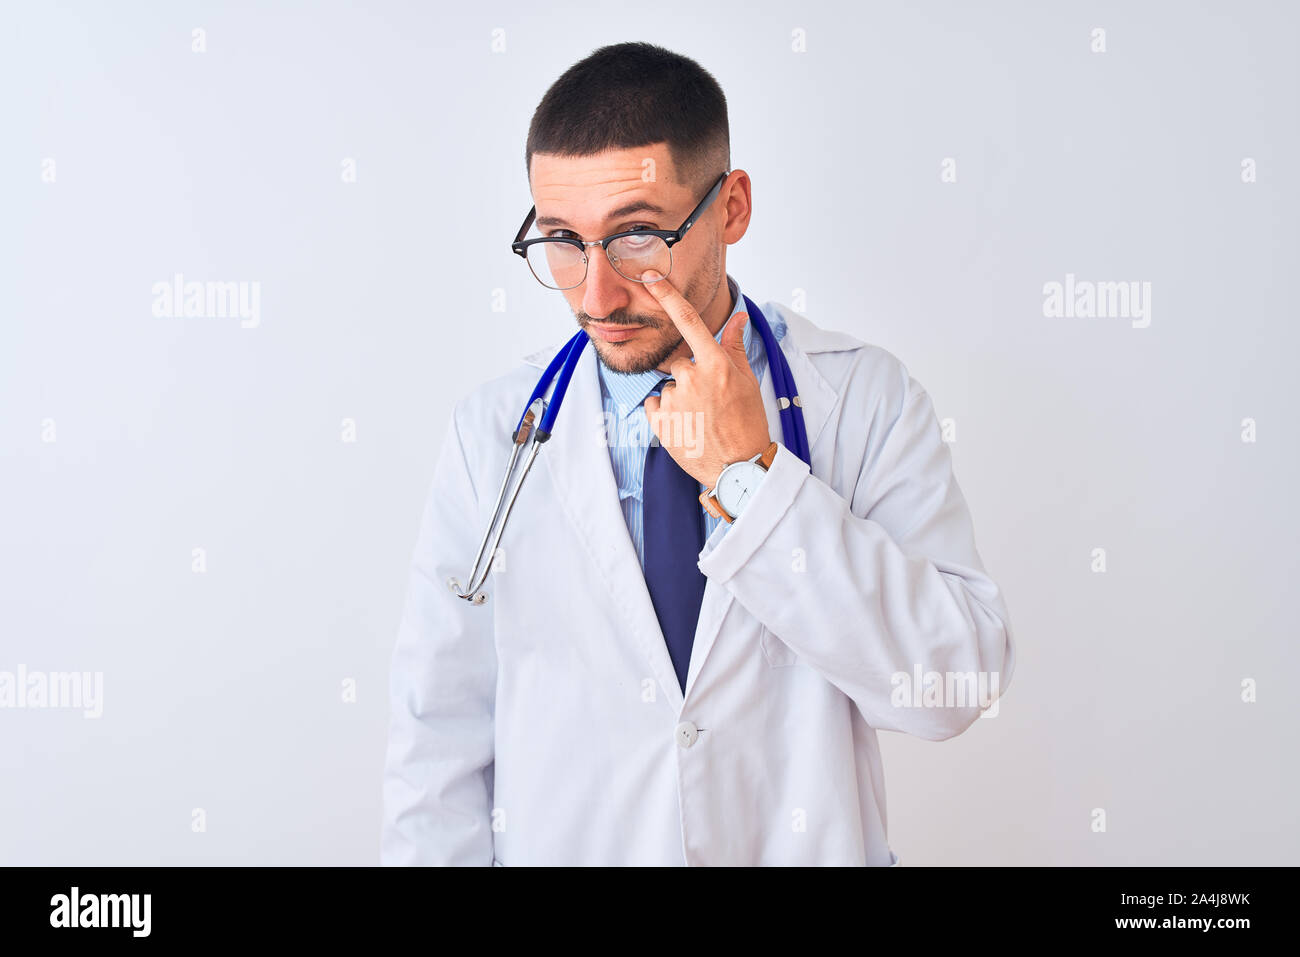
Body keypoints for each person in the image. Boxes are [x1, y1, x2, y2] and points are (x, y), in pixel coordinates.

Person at [381, 41, 1015, 866]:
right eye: (564, 240)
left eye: (638, 235)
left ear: (731, 208)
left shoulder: (862, 401)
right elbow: (437, 740)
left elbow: (951, 685)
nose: (595, 293)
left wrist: (751, 481)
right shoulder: (494, 433)